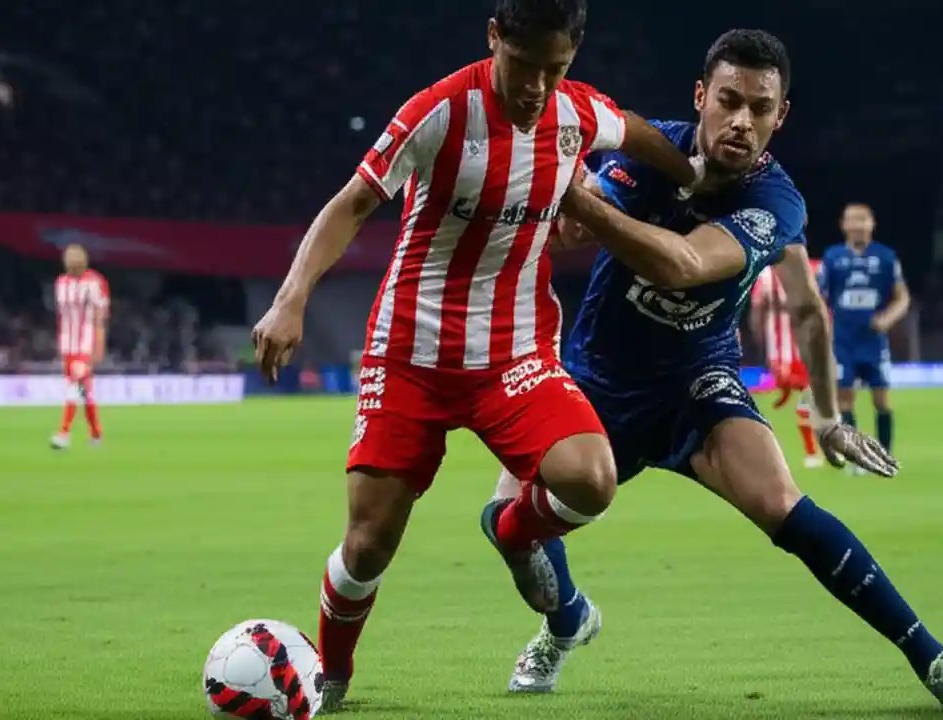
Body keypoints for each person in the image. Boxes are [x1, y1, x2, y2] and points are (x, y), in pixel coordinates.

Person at [487, 29, 943, 713]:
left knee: (785, 507)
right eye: (728, 101)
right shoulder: (650, 153)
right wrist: (573, 194)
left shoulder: (775, 201)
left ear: (780, 115)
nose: (742, 121)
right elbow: (573, 233)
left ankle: (935, 661)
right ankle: (568, 622)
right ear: (701, 97)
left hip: (696, 382)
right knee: (503, 519)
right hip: (596, 384)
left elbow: (692, 268)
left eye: (761, 108)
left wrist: (828, 419)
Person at [249, 0, 704, 712]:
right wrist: (291, 296)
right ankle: (332, 679)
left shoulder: (578, 113)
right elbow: (351, 204)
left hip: (512, 353)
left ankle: (514, 530)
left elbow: (646, 139)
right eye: (524, 66)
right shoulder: (440, 112)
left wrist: (694, 181)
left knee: (591, 481)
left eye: (555, 69)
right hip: (411, 354)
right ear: (494, 38)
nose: (536, 87)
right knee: (367, 546)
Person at [817, 203, 910, 473]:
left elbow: (902, 297)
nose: (857, 225)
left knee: (881, 400)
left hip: (874, 341)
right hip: (843, 340)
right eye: (852, 220)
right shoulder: (833, 258)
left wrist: (888, 318)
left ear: (872, 223)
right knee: (845, 401)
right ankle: (856, 458)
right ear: (843, 225)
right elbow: (819, 297)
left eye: (863, 219)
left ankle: (884, 455)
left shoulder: (885, 257)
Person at [751, 259, 824, 467]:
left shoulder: (767, 274)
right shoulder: (811, 271)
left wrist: (761, 346)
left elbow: (757, 314)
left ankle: (811, 450)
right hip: (791, 352)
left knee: (806, 399)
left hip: (789, 351)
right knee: (806, 399)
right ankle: (810, 450)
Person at [50, 243, 108, 449]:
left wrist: (98, 349)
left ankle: (63, 434)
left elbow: (100, 318)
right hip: (68, 345)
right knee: (86, 392)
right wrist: (60, 345)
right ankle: (96, 433)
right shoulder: (60, 283)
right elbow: (62, 317)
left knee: (73, 388)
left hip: (86, 344)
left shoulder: (95, 282)